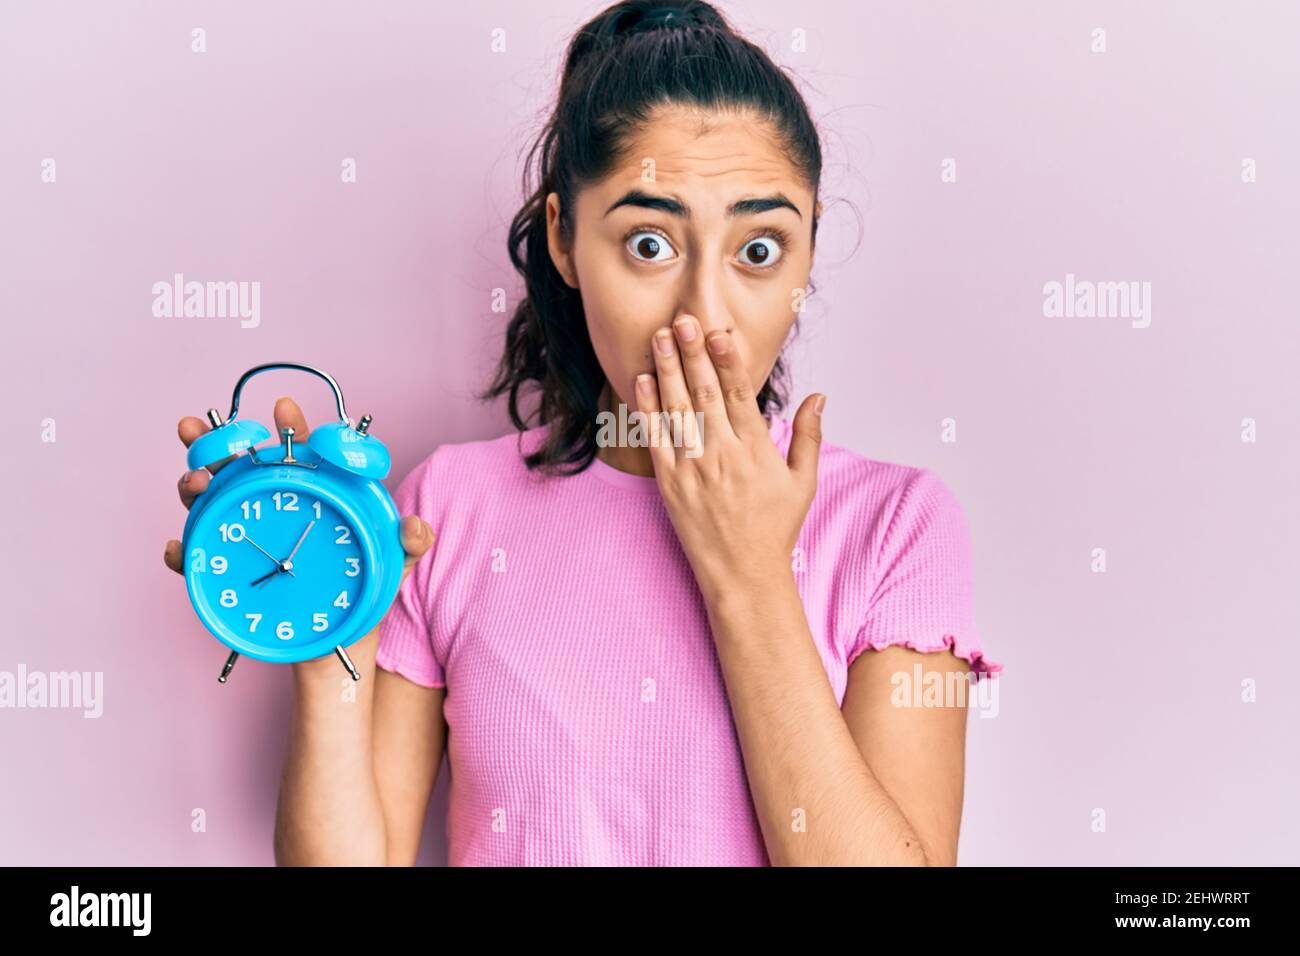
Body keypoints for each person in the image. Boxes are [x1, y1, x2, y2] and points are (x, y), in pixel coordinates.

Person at [163, 0, 1001, 867]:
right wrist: (320, 611)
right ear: (564, 241)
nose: (704, 315)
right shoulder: (445, 509)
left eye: (759, 251)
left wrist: (748, 575)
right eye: (648, 243)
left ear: (809, 250)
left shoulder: (896, 525)